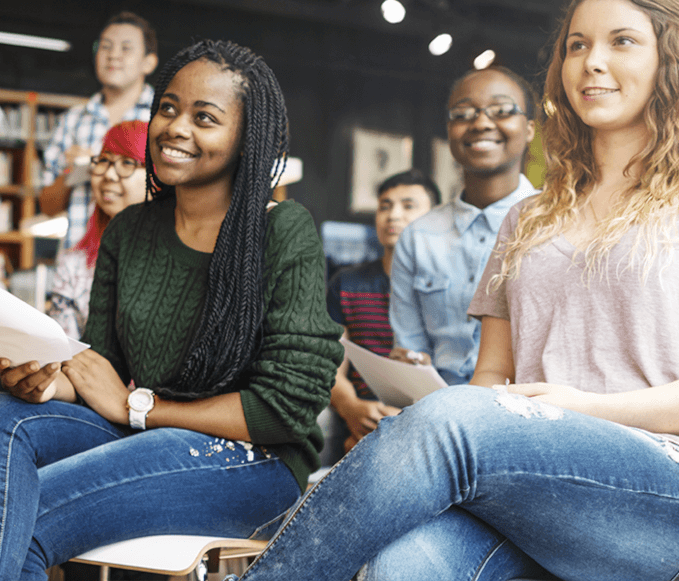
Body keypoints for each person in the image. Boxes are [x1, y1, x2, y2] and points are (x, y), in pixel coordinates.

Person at [223, 0, 679, 578]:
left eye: (622, 41)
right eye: (577, 44)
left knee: (450, 418)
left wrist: (585, 409)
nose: (592, 61)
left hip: (659, 483)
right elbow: (491, 376)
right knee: (403, 565)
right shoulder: (528, 219)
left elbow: (476, 412)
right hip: (533, 476)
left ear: (668, 59)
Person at [0, 39, 343, 581]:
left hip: (255, 462)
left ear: (247, 140)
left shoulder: (283, 230)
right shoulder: (130, 231)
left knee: (20, 516)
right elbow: (98, 369)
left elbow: (287, 408)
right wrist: (44, 379)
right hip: (145, 433)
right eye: (169, 108)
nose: (175, 127)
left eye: (205, 117)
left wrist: (139, 408)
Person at [388, 65, 538, 385]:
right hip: (438, 406)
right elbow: (409, 347)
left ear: (529, 130)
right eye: (463, 113)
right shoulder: (417, 237)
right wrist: (408, 367)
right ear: (449, 129)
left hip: (528, 411)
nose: (481, 122)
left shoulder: (557, 224)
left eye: (501, 110)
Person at [325, 169, 438, 454]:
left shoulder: (449, 287)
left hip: (431, 423)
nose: (393, 215)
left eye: (408, 206)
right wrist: (351, 407)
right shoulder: (346, 283)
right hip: (363, 422)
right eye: (385, 206)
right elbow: (330, 364)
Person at [39, 11, 157, 250]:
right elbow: (47, 206)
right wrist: (75, 173)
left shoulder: (163, 119)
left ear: (149, 62)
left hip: (141, 259)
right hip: (78, 263)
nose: (113, 55)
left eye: (126, 48)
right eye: (105, 47)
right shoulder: (72, 120)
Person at [46, 120, 148, 340]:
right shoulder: (73, 265)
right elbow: (60, 351)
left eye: (127, 162)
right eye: (103, 161)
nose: (109, 175)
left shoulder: (178, 262)